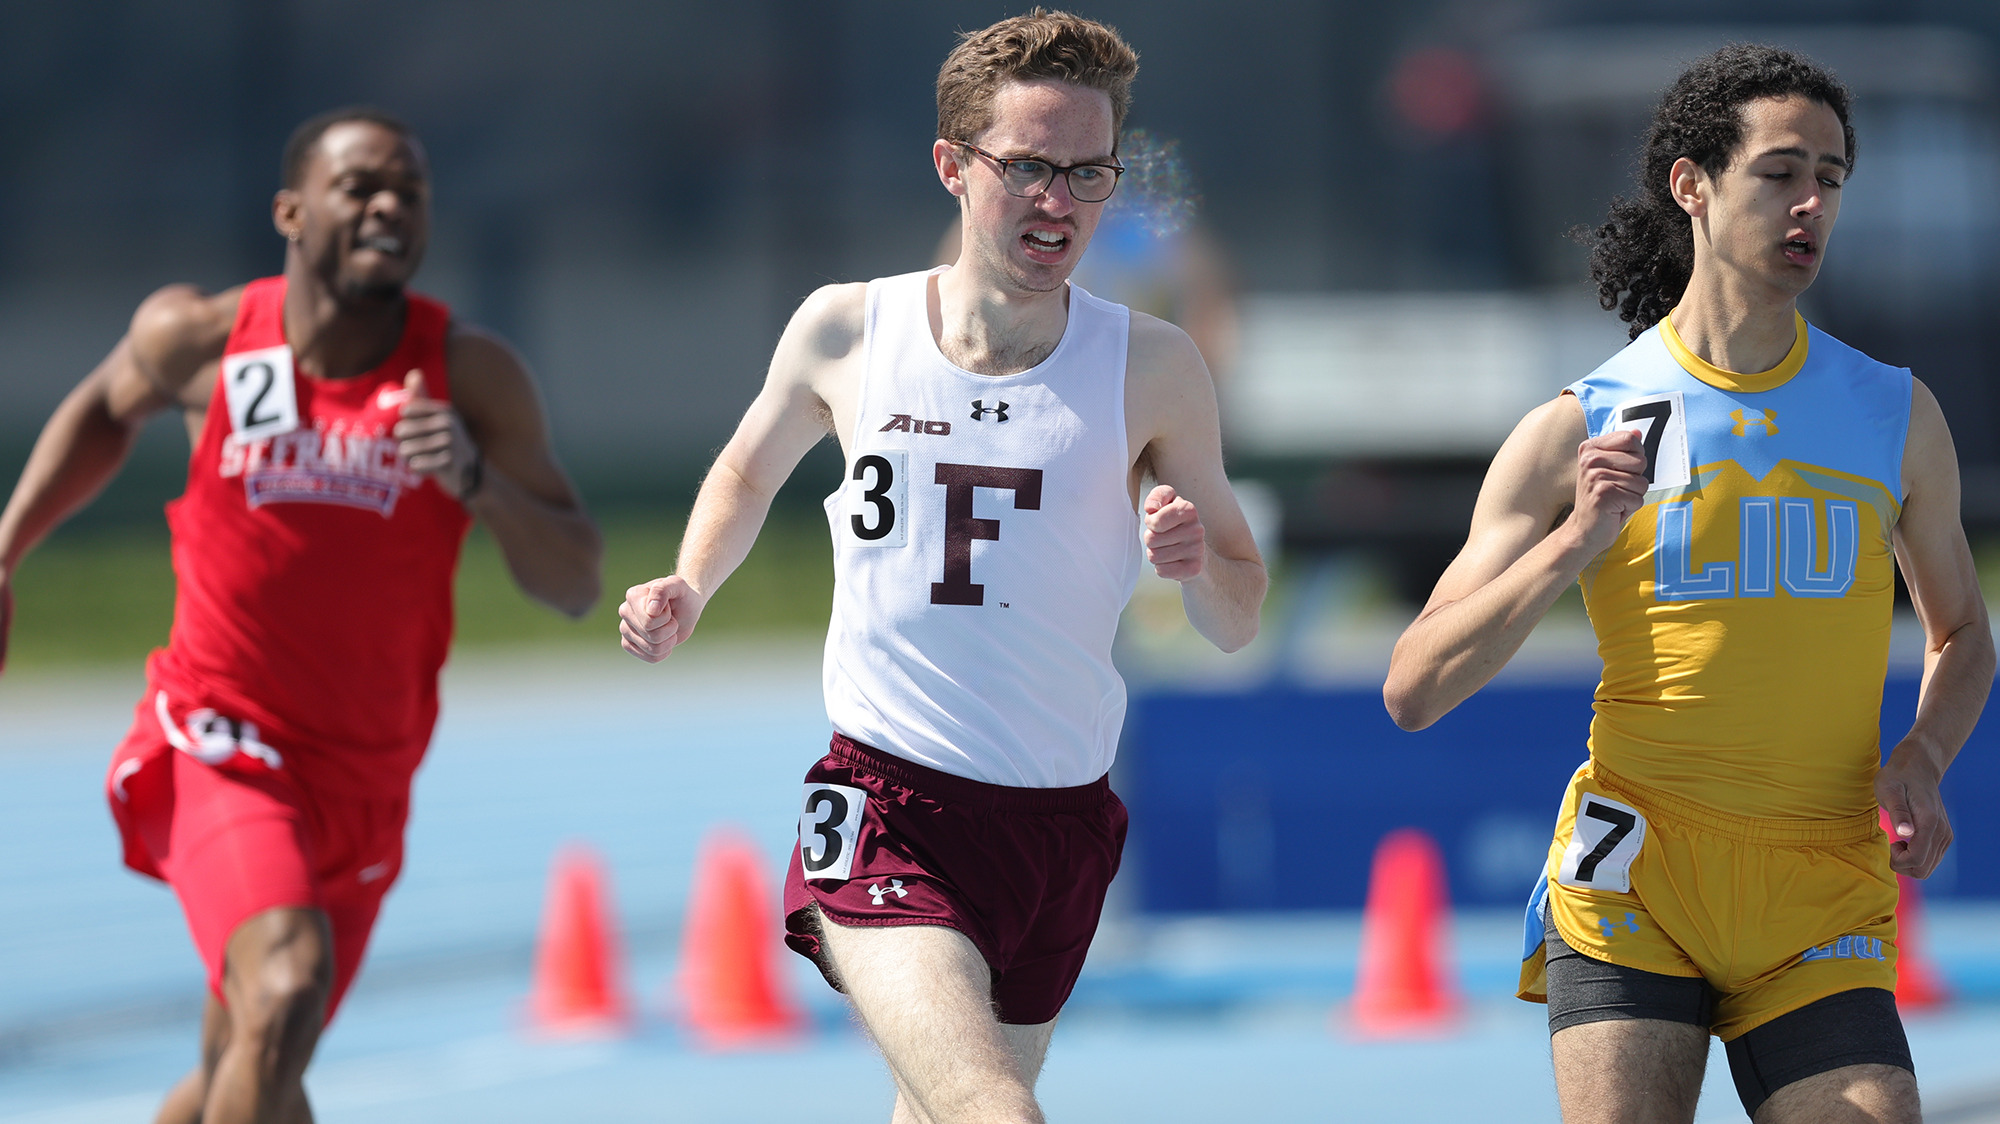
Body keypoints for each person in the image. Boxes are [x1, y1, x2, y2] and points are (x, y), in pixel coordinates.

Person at [619, 10, 1265, 1122]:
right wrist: (688, 581)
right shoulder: (847, 330)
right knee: (987, 1108)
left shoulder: (1151, 366)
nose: (1059, 201)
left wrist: (1194, 559)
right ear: (952, 167)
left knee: (938, 1112)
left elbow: (1236, 614)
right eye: (1026, 168)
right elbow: (744, 469)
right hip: (885, 803)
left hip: (1056, 826)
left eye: (1088, 172)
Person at [1383, 45, 1991, 1124]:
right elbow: (1414, 686)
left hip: (1818, 891)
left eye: (1832, 178)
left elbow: (1958, 632)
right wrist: (1574, 538)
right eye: (1779, 172)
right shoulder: (1578, 424)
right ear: (1691, 185)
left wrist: (1923, 752)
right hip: (1634, 882)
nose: (1809, 202)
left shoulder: (1893, 411)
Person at [0, 108, 602, 1124]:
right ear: (290, 210)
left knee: (247, 1056)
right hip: (220, 735)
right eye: (361, 185)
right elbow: (107, 407)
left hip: (366, 777)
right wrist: (8, 544)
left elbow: (576, 577)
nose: (388, 208)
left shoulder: (468, 376)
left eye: (407, 193)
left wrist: (471, 477)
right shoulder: (200, 337)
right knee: (283, 985)